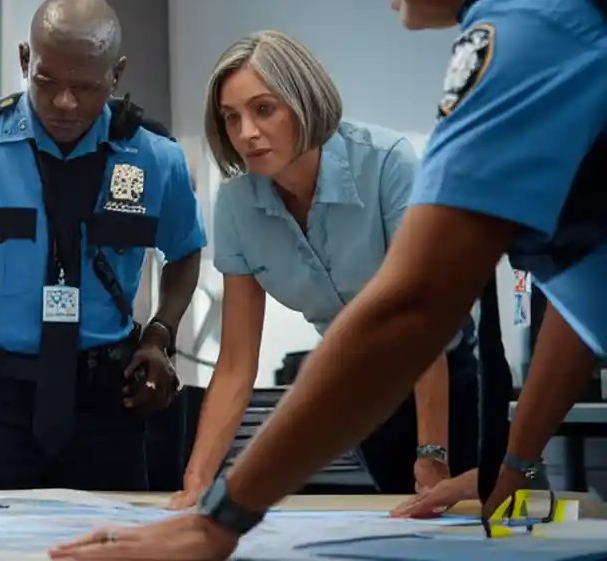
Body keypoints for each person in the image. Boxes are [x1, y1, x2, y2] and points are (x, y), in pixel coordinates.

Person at [47, 0, 607, 558]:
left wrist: (220, 520)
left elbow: (415, 308)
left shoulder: (534, 26)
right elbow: (583, 280)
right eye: (230, 117)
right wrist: (518, 468)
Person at [0, 0, 206, 491]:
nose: (65, 103)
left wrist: (160, 334)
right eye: (46, 82)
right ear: (25, 59)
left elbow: (183, 251)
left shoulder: (154, 159)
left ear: (116, 75)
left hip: (106, 405)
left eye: (86, 87)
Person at [168, 30, 478, 511]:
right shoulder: (235, 204)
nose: (246, 131)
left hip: (441, 372)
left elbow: (420, 321)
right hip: (364, 383)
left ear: (303, 101)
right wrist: (196, 481)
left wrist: (432, 452)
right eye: (231, 118)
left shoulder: (388, 163)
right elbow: (235, 362)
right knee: (396, 524)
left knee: (462, 524)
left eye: (264, 109)